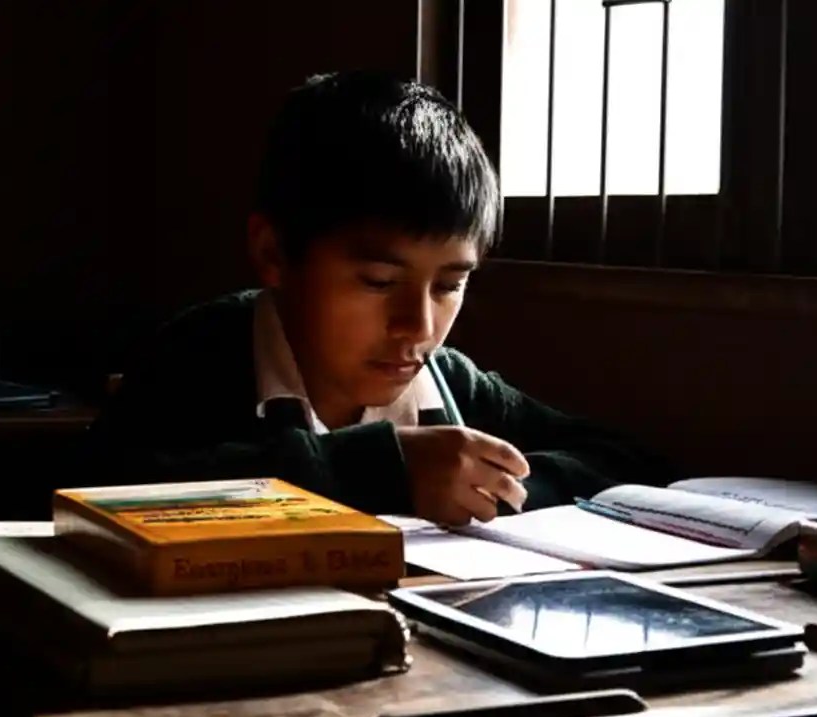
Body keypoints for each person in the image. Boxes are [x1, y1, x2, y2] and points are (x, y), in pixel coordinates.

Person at [86, 70, 676, 526]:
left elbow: (628, 462)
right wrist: (384, 472)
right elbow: (103, 490)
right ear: (273, 253)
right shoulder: (201, 356)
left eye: (449, 286)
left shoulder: (451, 385)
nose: (417, 326)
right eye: (377, 282)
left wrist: (492, 485)